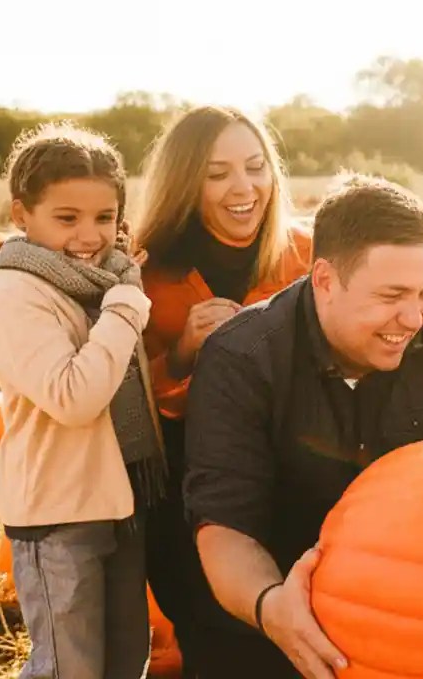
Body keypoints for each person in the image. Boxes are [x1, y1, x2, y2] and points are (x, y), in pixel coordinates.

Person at [182, 173, 423, 678]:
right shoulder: (243, 357)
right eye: (391, 295)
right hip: (272, 611)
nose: (413, 316)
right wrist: (272, 606)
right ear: (325, 281)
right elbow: (226, 524)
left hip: (419, 607)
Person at [132, 105, 313, 672]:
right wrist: (184, 351)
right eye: (218, 174)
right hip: (191, 488)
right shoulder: (147, 273)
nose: (244, 188)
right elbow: (131, 407)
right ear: (186, 182)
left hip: (298, 471)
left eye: (256, 167)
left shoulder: (309, 255)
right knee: (221, 645)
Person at [0, 122, 160, 679]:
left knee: (126, 662)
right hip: (59, 513)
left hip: (120, 498)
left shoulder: (106, 282)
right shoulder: (16, 292)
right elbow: (74, 397)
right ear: (21, 215)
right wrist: (127, 309)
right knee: (69, 668)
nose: (89, 234)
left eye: (104, 218)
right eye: (67, 218)